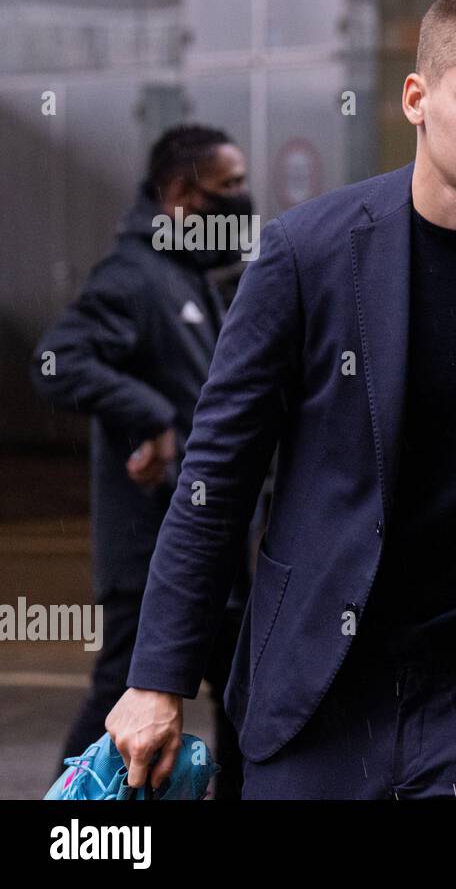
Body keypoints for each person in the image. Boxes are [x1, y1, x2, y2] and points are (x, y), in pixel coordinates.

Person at [104, 0, 456, 799]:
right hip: (316, 685)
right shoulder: (305, 257)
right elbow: (215, 477)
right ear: (417, 97)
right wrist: (157, 675)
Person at [29, 124, 255, 799]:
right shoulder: (133, 276)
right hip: (149, 562)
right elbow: (58, 360)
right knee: (119, 716)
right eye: (231, 186)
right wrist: (149, 415)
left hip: (209, 557)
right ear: (184, 194)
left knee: (251, 708)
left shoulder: (189, 281)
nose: (244, 200)